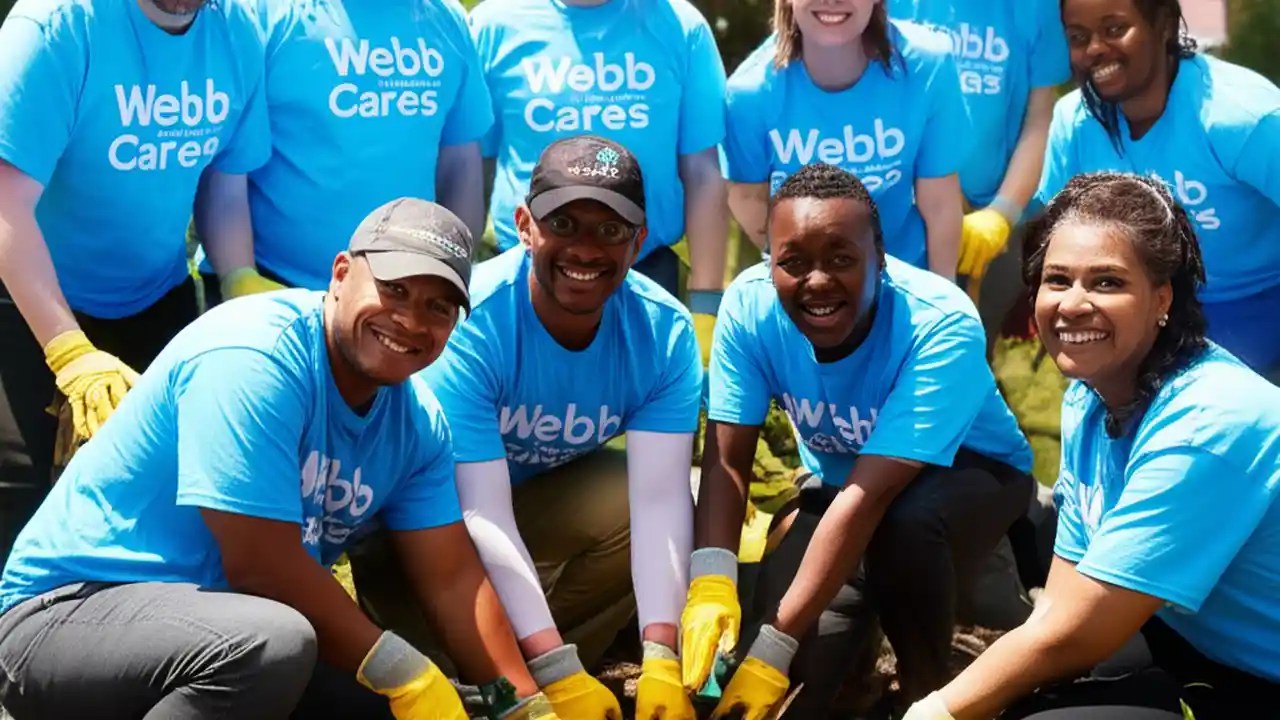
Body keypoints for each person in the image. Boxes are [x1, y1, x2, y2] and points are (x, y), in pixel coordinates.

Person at [0, 199, 559, 720]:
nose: (411, 321)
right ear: (341, 273)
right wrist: (406, 672)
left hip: (218, 630)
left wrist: (522, 704)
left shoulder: (417, 422)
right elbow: (260, 565)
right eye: (394, 290)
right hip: (66, 618)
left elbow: (452, 580)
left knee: (370, 706)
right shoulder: (253, 357)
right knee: (277, 644)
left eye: (438, 307)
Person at [903, 172, 1280, 720]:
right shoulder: (1092, 398)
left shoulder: (1208, 423)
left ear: (1162, 299)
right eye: (1057, 279)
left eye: (1107, 282)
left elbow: (1075, 636)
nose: (1073, 303)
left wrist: (936, 711)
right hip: (1195, 651)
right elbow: (1061, 606)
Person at [351, 136, 703, 720]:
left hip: (525, 514)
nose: (585, 249)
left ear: (639, 242)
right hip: (421, 533)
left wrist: (662, 652)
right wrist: (553, 667)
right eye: (563, 222)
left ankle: (515, 667)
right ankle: (507, 667)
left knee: (653, 497)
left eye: (611, 230)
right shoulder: (474, 321)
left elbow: (660, 498)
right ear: (524, 225)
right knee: (437, 677)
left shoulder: (663, 333)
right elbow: (479, 510)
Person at [682, 163, 1035, 719]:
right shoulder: (748, 309)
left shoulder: (939, 322)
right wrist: (711, 582)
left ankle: (929, 693)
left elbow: (871, 499)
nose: (817, 281)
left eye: (841, 259)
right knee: (785, 686)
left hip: (968, 478)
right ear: (768, 260)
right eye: (793, 262)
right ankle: (861, 641)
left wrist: (775, 647)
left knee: (903, 526)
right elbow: (728, 460)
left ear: (881, 259)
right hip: (840, 488)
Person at [0, 0, 270, 564]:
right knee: (18, 504)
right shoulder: (55, 27)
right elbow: (5, 204)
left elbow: (224, 181)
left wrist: (239, 274)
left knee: (148, 518)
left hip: (155, 300)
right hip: (25, 302)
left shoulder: (236, 31)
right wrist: (68, 350)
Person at [467, 0, 729, 365]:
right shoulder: (492, 25)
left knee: (650, 411)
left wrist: (705, 307)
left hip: (645, 274)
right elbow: (471, 167)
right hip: (525, 275)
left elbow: (703, 173)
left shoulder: (681, 25)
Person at [1038, 0, 1280, 382]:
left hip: (1259, 311)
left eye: (1115, 29)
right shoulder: (1074, 125)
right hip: (1136, 317)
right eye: (1078, 37)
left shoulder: (1241, 117)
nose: (1096, 48)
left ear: (1164, 24)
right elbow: (1057, 242)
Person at [196, 0, 495, 304]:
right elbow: (226, 164)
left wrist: (456, 269)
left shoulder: (446, 17)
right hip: (275, 286)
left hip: (404, 290)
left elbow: (460, 160)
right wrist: (238, 275)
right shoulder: (265, 12)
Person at [722, 0, 970, 279]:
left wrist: (943, 299)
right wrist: (803, 265)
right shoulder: (747, 95)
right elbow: (746, 197)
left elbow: (939, 201)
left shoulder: (928, 67)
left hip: (907, 279)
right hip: (807, 287)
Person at [887, 0, 1067, 313]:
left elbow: (1040, 117)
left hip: (999, 217)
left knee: (971, 341)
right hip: (906, 211)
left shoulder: (1038, 8)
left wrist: (1000, 214)